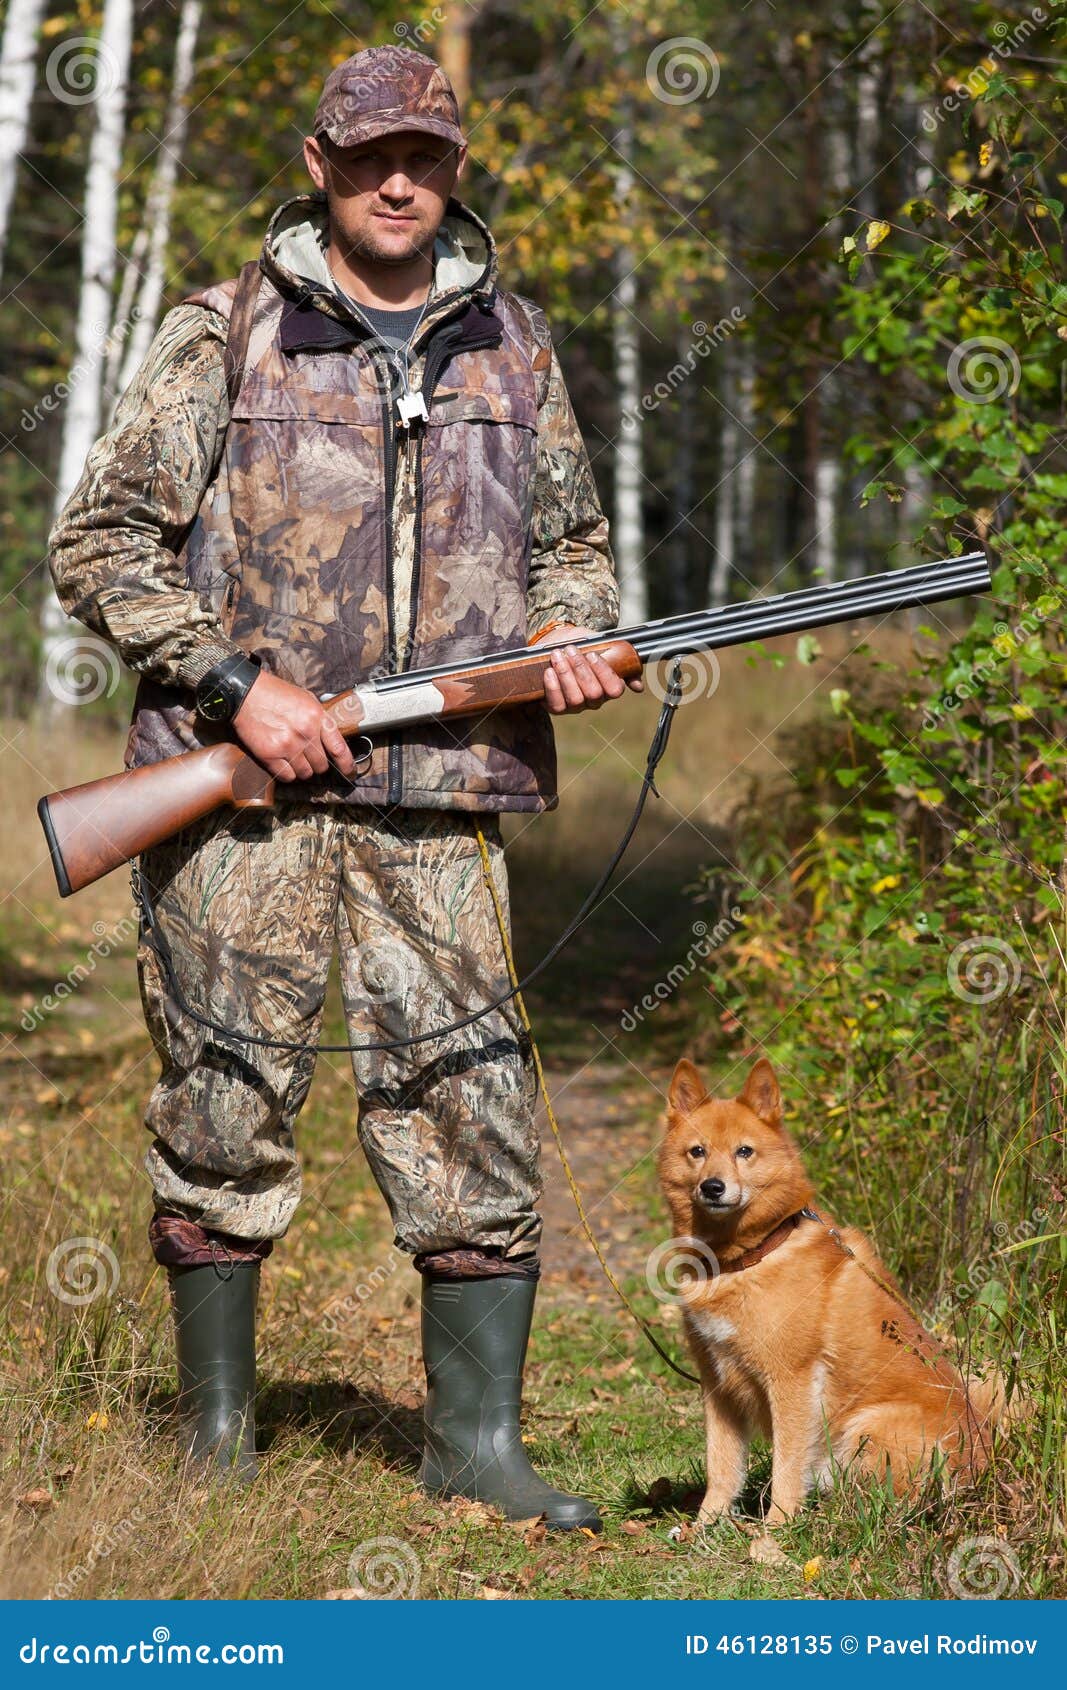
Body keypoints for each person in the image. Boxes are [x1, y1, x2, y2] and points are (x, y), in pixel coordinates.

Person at [48, 44, 639, 1531]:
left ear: (453, 166)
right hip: (238, 789)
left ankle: (476, 1445)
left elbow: (571, 549)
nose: (400, 180)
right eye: (372, 153)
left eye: (427, 156)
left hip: (445, 796)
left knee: (472, 1107)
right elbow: (99, 543)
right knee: (224, 1101)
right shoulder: (225, 332)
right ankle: (219, 1446)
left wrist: (575, 633)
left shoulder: (516, 343)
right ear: (319, 161)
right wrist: (240, 687)